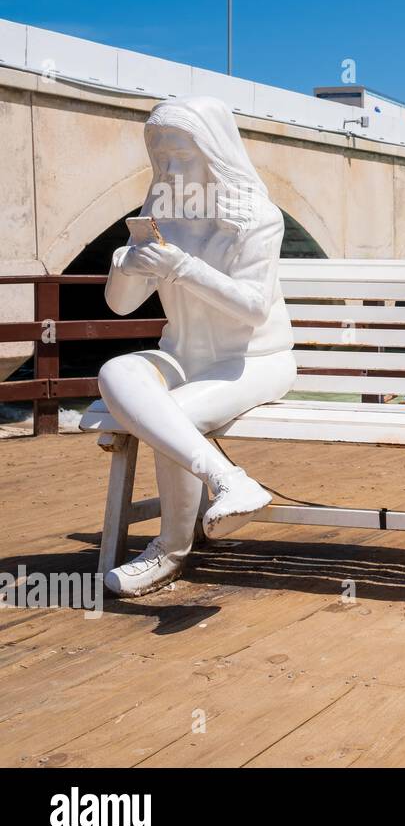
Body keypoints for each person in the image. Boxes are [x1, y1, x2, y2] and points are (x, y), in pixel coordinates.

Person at [95, 95, 297, 597]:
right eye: (158, 153)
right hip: (183, 355)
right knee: (117, 372)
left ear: (213, 150)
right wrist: (126, 266)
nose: (167, 166)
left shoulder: (255, 218)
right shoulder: (160, 212)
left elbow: (252, 306)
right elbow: (121, 307)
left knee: (174, 412)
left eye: (180, 153)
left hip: (252, 360)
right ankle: (229, 480)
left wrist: (180, 267)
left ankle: (170, 549)